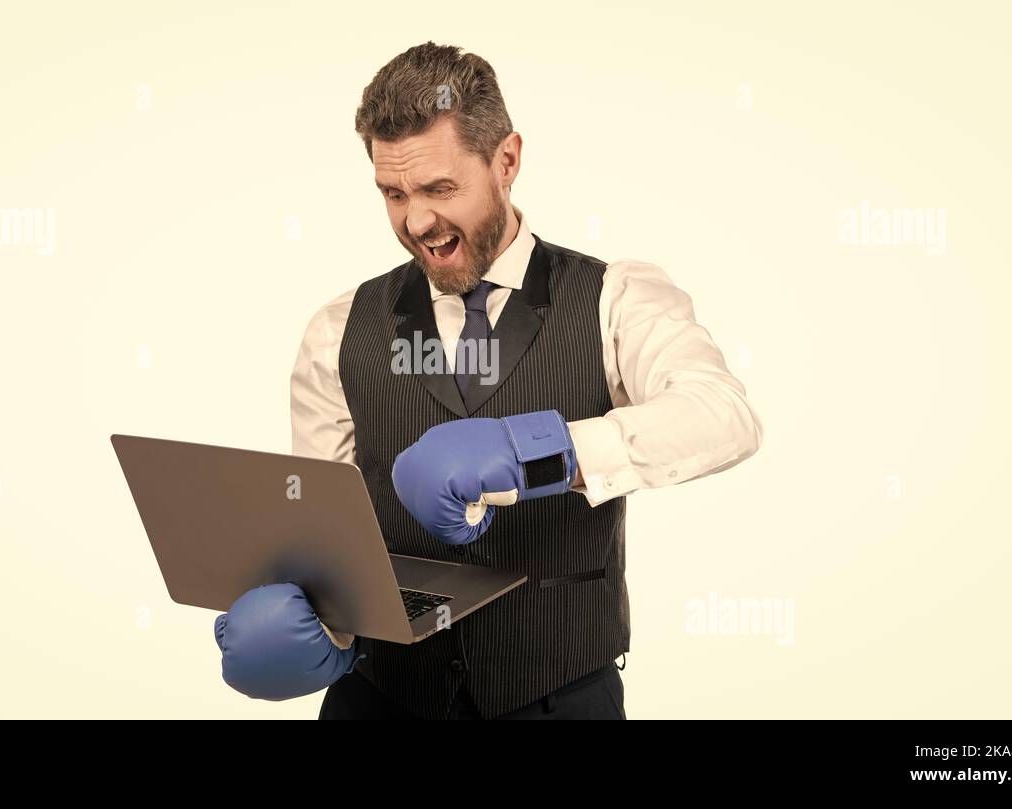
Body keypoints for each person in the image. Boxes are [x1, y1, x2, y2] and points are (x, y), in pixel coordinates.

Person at [213, 41, 763, 720]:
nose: (416, 222)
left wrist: (539, 448)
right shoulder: (338, 329)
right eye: (393, 193)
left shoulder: (613, 297)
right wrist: (310, 623)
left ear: (507, 160)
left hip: (562, 698)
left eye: (441, 189)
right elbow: (324, 532)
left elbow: (722, 414)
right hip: (381, 699)